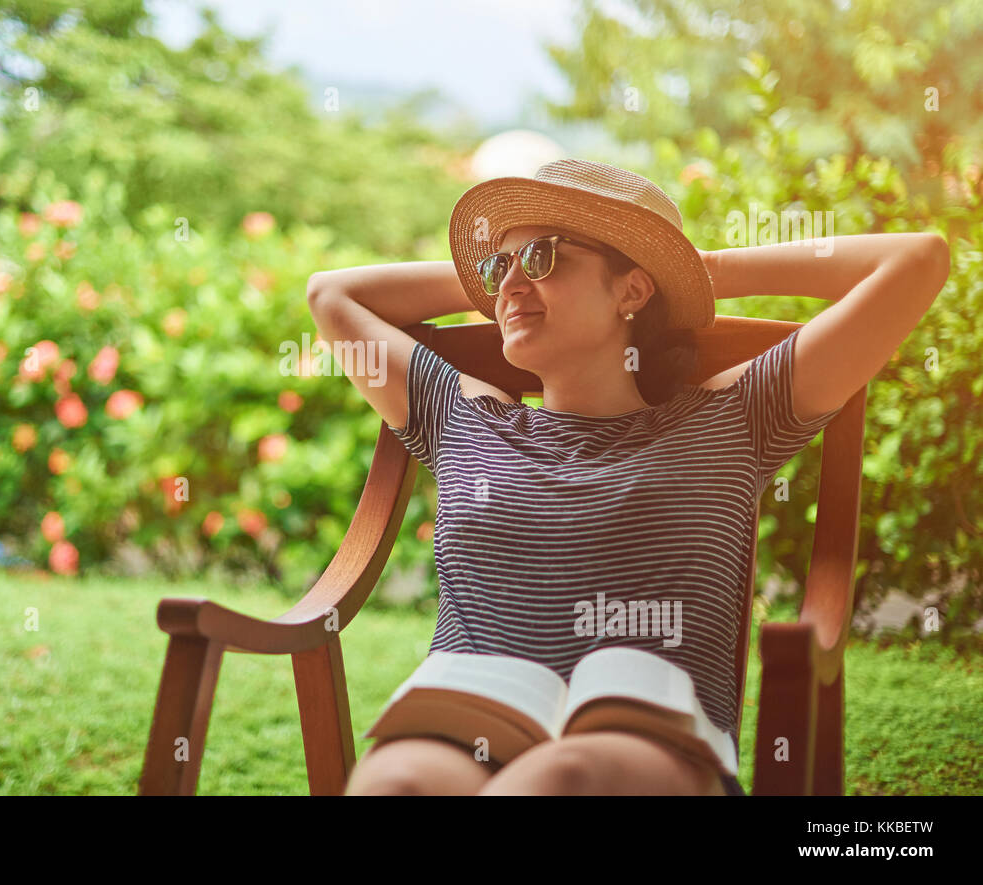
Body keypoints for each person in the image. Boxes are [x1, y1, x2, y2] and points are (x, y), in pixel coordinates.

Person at [305, 158, 951, 795]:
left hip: (650, 743)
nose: (508, 288)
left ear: (633, 291)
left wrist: (695, 272)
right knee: (396, 782)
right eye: (498, 267)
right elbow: (332, 293)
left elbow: (916, 260)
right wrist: (510, 280)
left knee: (562, 778)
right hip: (472, 717)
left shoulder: (736, 415)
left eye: (545, 258)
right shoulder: (462, 414)